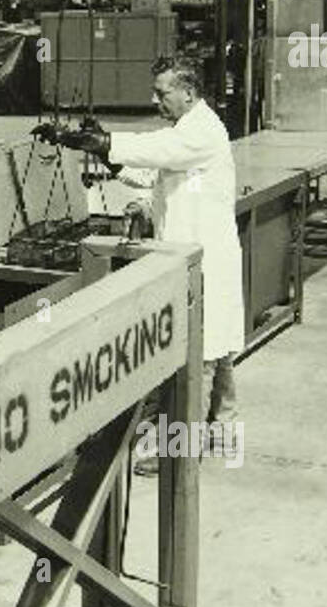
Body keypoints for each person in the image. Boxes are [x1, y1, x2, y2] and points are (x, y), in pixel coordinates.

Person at [32, 55, 244, 471]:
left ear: (187, 92)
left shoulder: (201, 131)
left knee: (197, 356)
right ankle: (225, 429)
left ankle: (180, 455)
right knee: (218, 351)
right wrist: (114, 162)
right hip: (195, 254)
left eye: (162, 93)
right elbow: (155, 173)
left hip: (204, 259)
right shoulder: (187, 131)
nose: (155, 100)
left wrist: (105, 143)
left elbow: (156, 152)